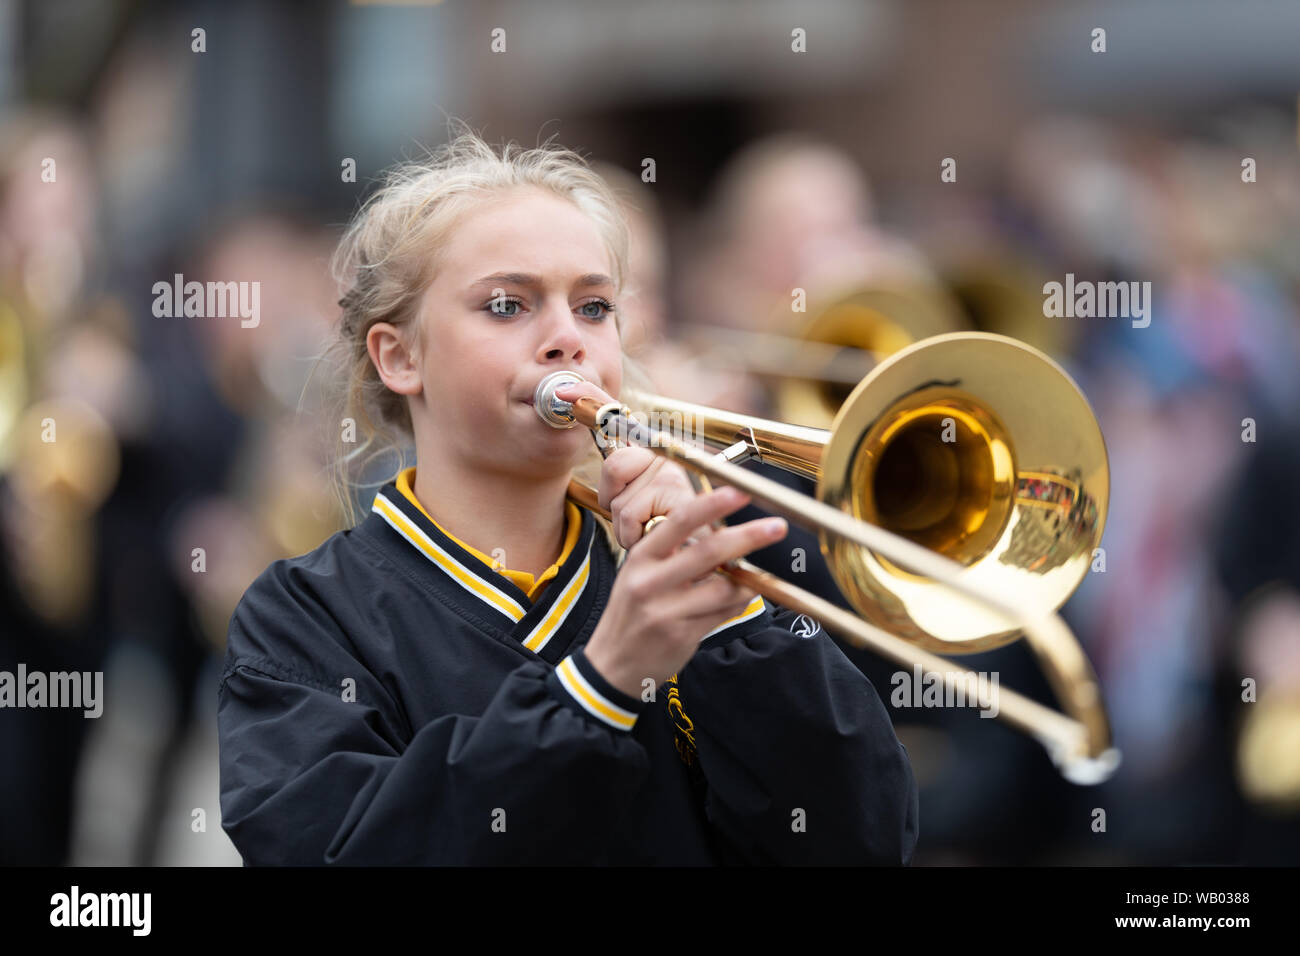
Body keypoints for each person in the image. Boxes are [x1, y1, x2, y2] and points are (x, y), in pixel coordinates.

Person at [216, 126, 918, 865]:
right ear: (400, 355)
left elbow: (860, 843)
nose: (566, 339)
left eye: (593, 307)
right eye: (507, 306)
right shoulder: (302, 618)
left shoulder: (678, 580)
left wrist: (734, 631)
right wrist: (598, 686)